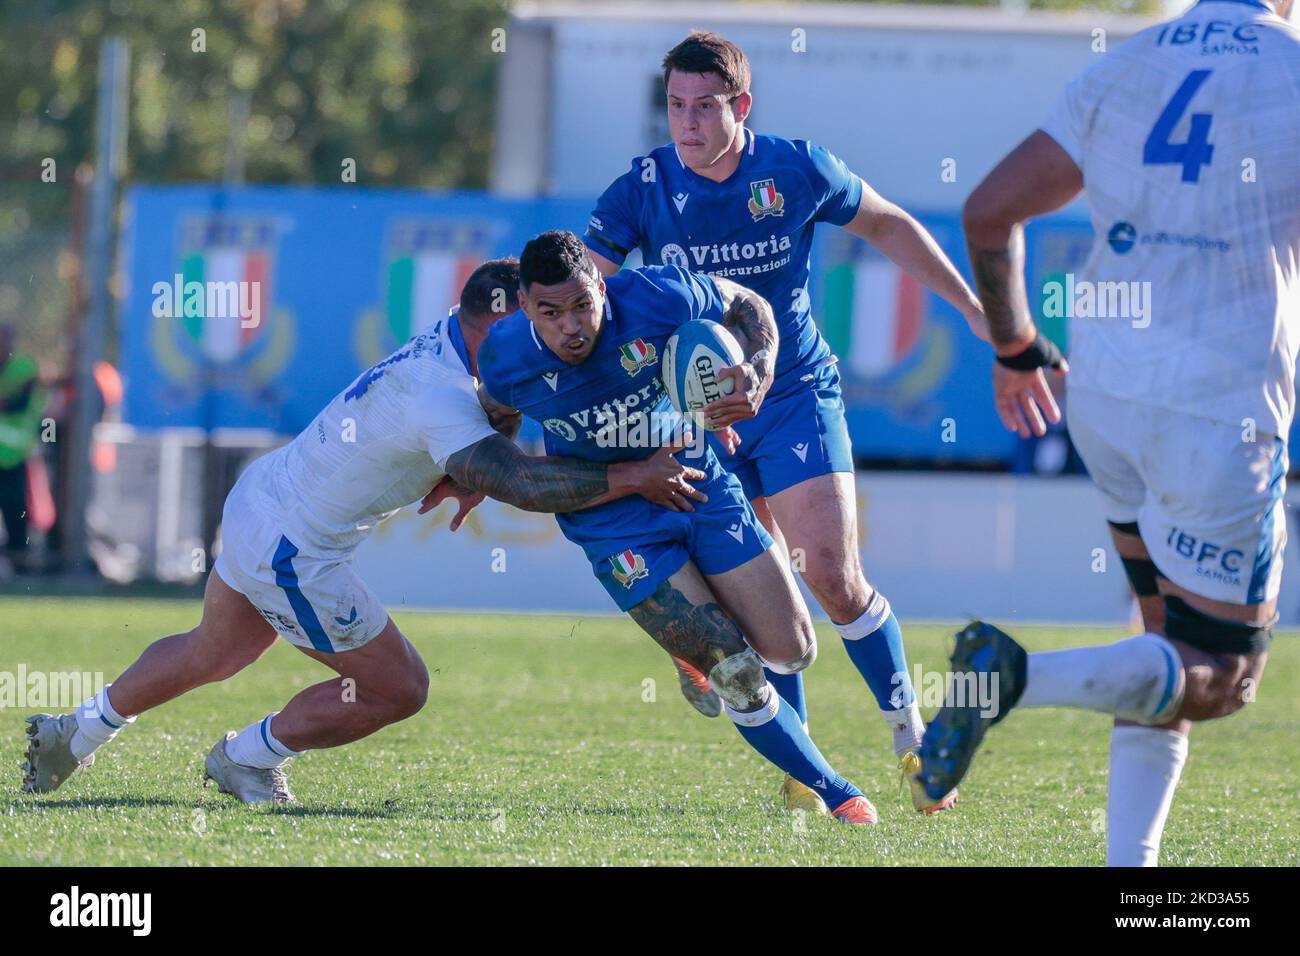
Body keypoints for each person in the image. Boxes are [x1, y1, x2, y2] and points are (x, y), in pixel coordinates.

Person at [22, 259, 707, 804]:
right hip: (295, 551)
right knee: (400, 688)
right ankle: (246, 757)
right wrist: (634, 475)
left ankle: (73, 733)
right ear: (495, 322)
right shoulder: (443, 394)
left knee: (214, 651)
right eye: (530, 322)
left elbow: (498, 411)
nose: (540, 339)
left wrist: (481, 457)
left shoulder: (455, 342)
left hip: (264, 496)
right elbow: (524, 484)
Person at [913, 0, 1300, 865]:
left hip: (1109, 398)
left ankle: (1135, 882)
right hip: (1218, 413)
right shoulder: (1291, 70)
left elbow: (987, 213)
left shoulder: (1126, 62)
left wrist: (1015, 347)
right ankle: (1014, 677)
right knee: (1223, 677)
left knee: (1160, 644)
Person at [582, 31, 988, 813]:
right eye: (675, 107)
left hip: (794, 390)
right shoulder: (639, 188)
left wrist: (972, 306)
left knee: (830, 574)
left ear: (742, 106)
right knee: (762, 605)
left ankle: (913, 741)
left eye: (706, 107)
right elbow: (585, 304)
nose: (688, 123)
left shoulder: (797, 168)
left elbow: (889, 224)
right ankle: (805, 773)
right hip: (702, 412)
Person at [474, 230, 877, 823]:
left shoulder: (659, 294)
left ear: (601, 287)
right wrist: (469, 476)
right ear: (526, 307)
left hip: (697, 483)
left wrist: (758, 370)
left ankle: (692, 647)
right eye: (550, 313)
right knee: (736, 672)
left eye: (582, 304)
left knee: (793, 653)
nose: (571, 326)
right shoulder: (505, 355)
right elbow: (497, 415)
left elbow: (749, 306)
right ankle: (838, 792)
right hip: (611, 523)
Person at [0, 324, 47, 576]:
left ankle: (21, 567)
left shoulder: (24, 369)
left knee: (15, 510)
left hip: (13, 455)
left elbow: (19, 403)